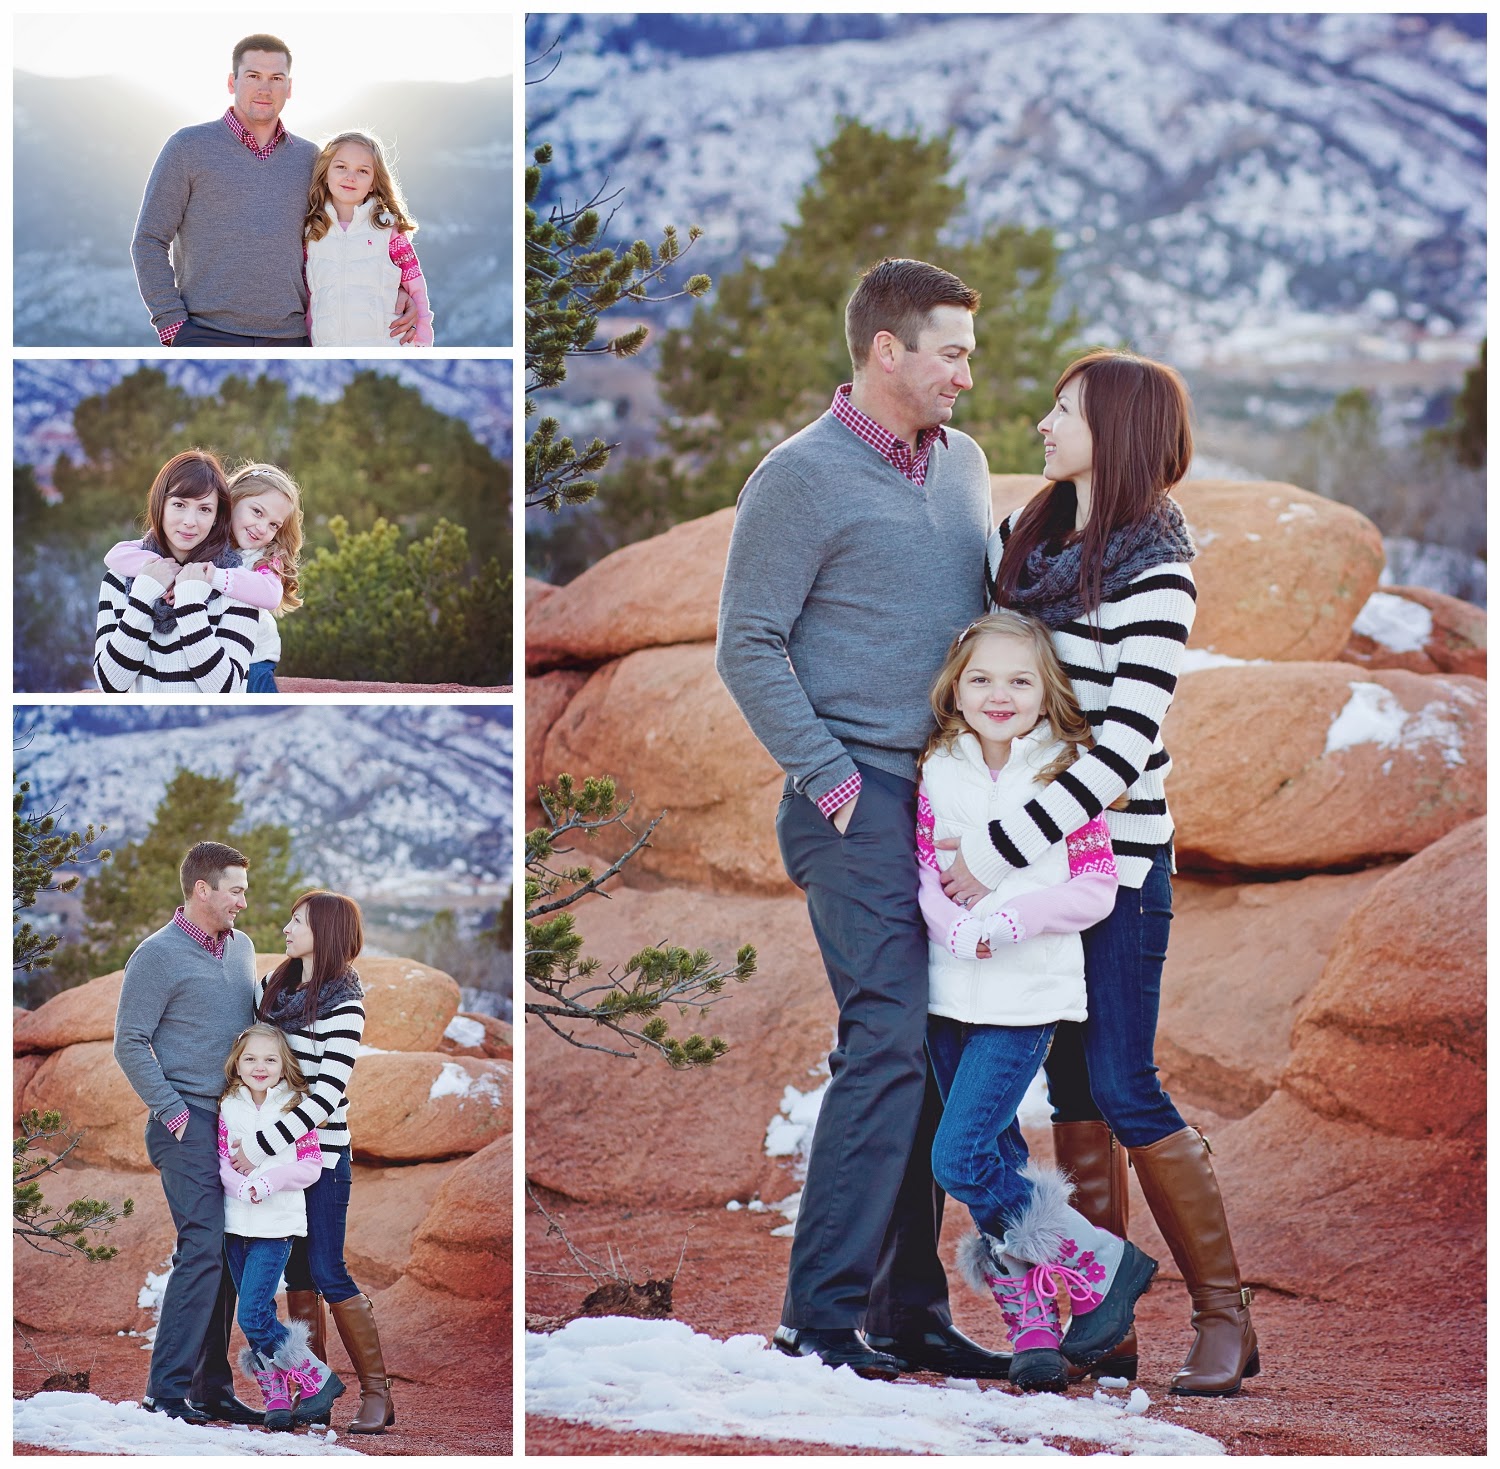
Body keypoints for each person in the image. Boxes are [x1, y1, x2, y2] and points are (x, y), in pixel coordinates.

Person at [941, 349, 1260, 1397]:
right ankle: (1100, 1321)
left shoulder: (1157, 567)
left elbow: (1124, 747)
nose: (1042, 422)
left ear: (1114, 428)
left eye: (1063, 410)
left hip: (1114, 867)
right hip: (1036, 865)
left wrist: (991, 848)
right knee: (1068, 1085)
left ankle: (1225, 1317)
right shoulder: (1030, 539)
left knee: (1124, 1080)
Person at [717, 257, 1002, 1381]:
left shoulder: (967, 465)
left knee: (930, 1050)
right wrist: (833, 779)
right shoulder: (798, 477)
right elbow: (748, 643)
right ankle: (820, 1317)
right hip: (857, 799)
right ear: (888, 350)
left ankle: (909, 1311)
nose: (966, 374)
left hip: (948, 802)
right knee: (885, 1037)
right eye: (951, 351)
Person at [915, 611, 1157, 1393]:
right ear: (955, 687)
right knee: (996, 1156)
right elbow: (924, 873)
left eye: (1020, 679)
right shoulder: (936, 767)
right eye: (981, 677)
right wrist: (956, 927)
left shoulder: (1066, 770)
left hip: (1025, 998)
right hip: (948, 992)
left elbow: (1093, 884)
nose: (999, 693)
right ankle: (1032, 1324)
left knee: (958, 1157)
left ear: (1046, 690)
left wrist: (1011, 918)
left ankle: (1097, 1259)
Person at [131, 34, 418, 347]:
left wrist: (397, 288)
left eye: (276, 78)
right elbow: (149, 239)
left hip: (294, 337)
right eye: (253, 76)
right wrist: (172, 324)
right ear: (232, 81)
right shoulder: (188, 147)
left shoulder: (310, 158)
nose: (264, 88)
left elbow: (347, 234)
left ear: (289, 88)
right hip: (206, 333)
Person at [231, 891, 395, 1433]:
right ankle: (312, 1390)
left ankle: (377, 1394)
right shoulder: (275, 989)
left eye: (297, 921)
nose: (285, 927)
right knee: (297, 1276)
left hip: (319, 1160)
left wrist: (258, 1147)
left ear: (324, 930)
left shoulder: (344, 1001)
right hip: (276, 1160)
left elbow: (326, 1096)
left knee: (327, 1270)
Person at [112, 842, 261, 1426]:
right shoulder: (156, 956)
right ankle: (166, 1393)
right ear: (203, 888)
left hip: (232, 1125)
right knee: (201, 1248)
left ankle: (212, 1390)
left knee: (223, 1253)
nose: (243, 902)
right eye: (235, 890)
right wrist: (173, 1113)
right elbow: (130, 1042)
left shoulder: (242, 949)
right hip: (185, 1123)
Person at [218, 1024, 345, 1429]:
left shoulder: (296, 1106)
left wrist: (267, 1182)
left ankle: (315, 1376)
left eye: (270, 1059)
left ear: (284, 1065)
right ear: (237, 1063)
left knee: (253, 1314)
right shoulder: (228, 1105)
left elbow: (309, 1165)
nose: (260, 1066)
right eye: (251, 1058)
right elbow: (223, 1162)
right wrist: (244, 1187)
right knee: (259, 1311)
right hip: (235, 1224)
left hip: (276, 1226)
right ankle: (274, 1394)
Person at [105, 462, 305, 693]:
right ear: (233, 501)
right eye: (257, 512)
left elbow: (270, 595)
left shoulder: (265, 557)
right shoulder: (198, 539)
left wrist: (212, 577)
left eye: (273, 525)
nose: (262, 528)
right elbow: (116, 555)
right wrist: (162, 572)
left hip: (255, 659)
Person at [304, 131, 436, 347]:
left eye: (362, 171)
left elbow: (416, 289)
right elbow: (311, 298)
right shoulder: (313, 232)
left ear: (374, 182)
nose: (350, 177)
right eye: (341, 167)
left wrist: (422, 342)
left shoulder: (387, 228)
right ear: (325, 174)